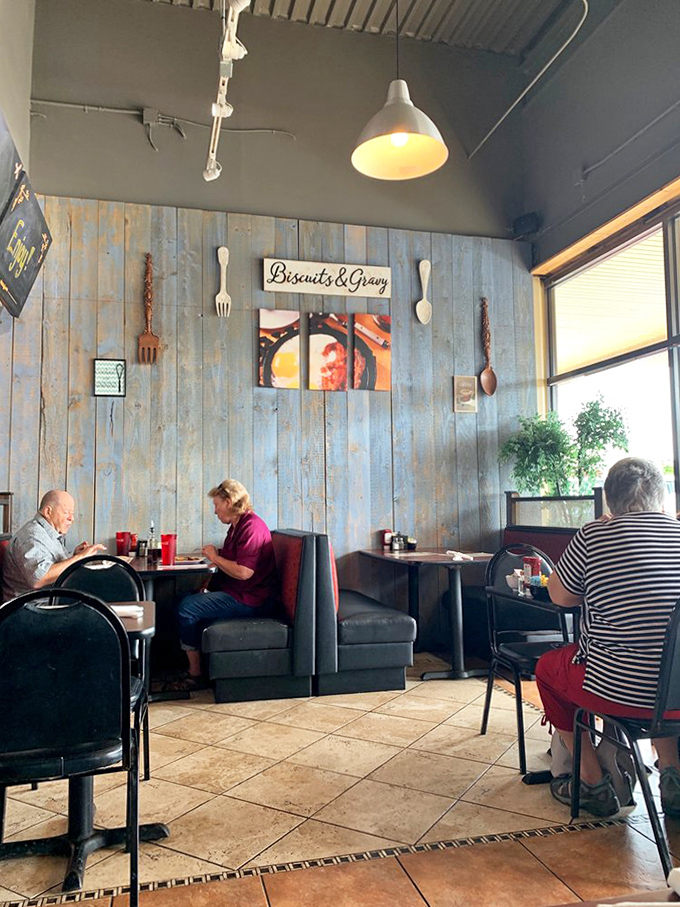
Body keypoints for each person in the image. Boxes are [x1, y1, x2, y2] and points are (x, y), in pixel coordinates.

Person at [536, 457, 680, 818]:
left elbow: (560, 596)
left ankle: (591, 781)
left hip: (615, 691)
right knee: (664, 663)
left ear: (609, 502)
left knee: (547, 670)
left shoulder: (593, 535)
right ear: (661, 499)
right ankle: (672, 776)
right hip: (676, 695)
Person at [174, 479, 277, 690]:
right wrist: (206, 583)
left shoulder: (252, 527)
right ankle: (182, 666)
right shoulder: (236, 526)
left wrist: (214, 556)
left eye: (216, 505)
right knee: (183, 597)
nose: (215, 511)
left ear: (229, 502)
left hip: (252, 600)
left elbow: (243, 572)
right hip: (238, 593)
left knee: (187, 607)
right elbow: (230, 563)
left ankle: (196, 675)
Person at [2, 490, 105, 601]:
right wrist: (79, 558)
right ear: (48, 511)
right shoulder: (32, 536)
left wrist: (73, 556)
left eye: (72, 513)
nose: (71, 518)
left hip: (46, 604)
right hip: (29, 611)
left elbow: (49, 565)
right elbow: (39, 578)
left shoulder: (46, 533)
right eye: (66, 512)